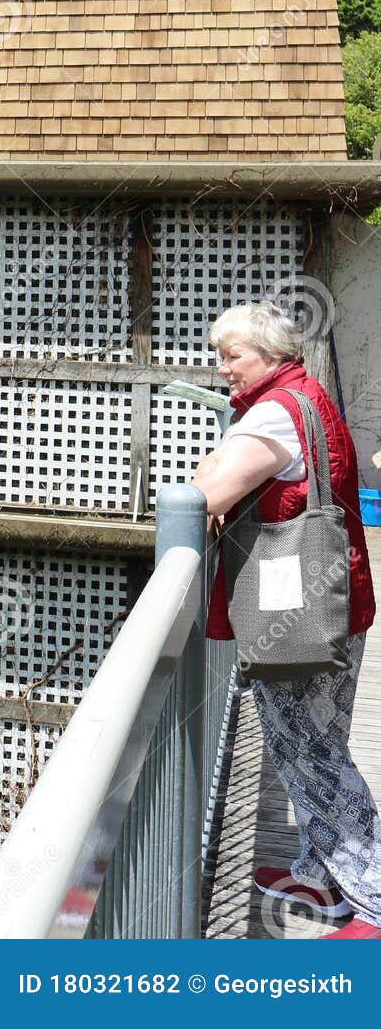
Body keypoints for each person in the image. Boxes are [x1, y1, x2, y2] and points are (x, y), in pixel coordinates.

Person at [192, 301, 381, 940]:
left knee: (314, 754)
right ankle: (323, 877)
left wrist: (212, 467)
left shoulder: (272, 413)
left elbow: (206, 494)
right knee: (315, 745)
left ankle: (374, 902)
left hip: (299, 615)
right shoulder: (307, 394)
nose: (223, 369)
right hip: (334, 603)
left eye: (233, 356)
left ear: (270, 354)